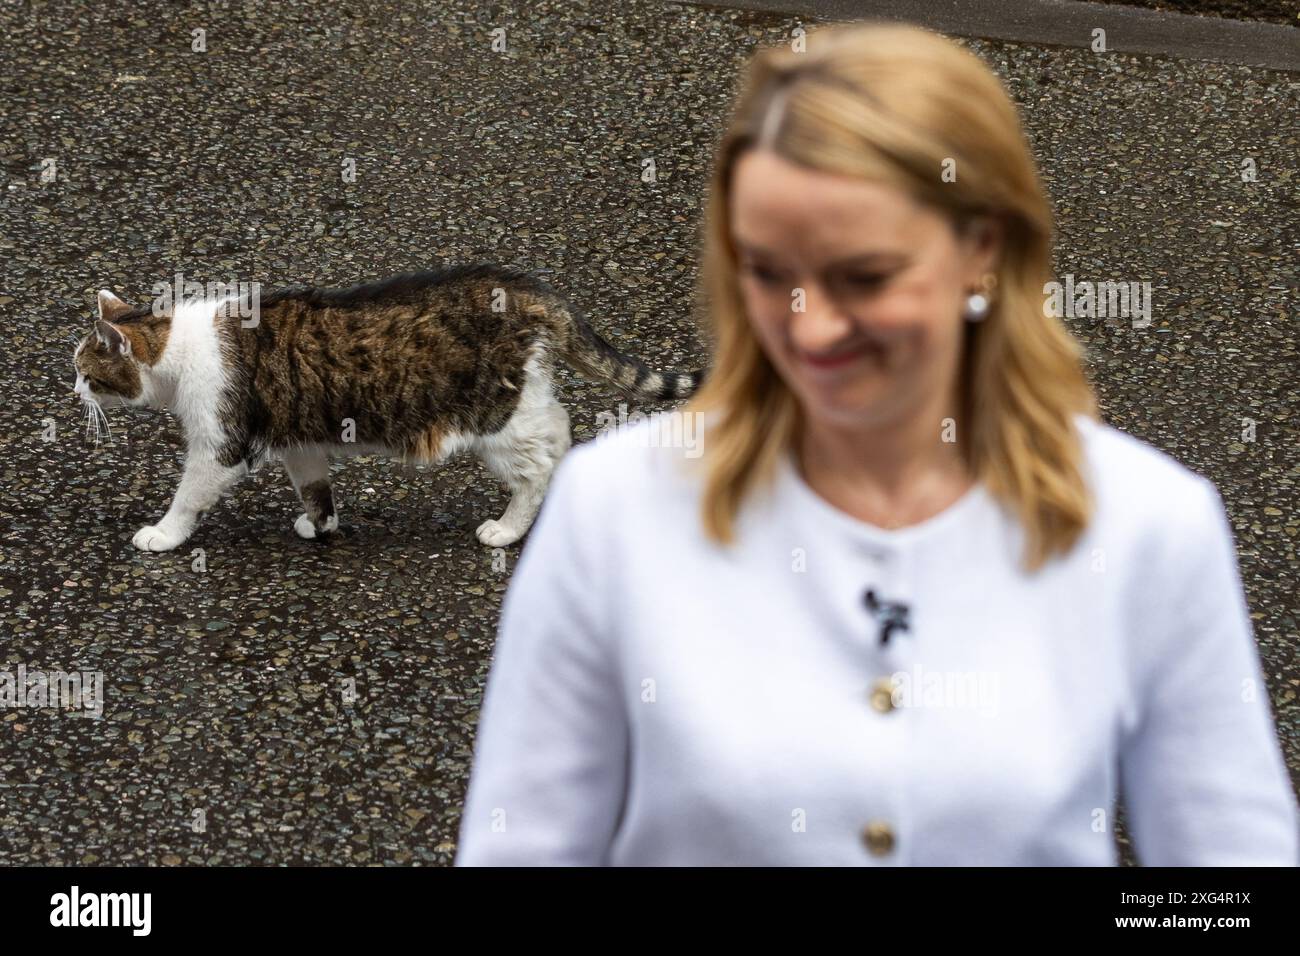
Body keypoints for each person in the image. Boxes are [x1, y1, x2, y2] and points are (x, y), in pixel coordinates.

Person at [455, 22, 1298, 865]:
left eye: (864, 275)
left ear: (983, 248)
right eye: (767, 271)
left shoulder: (1149, 525)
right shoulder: (613, 510)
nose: (809, 325)